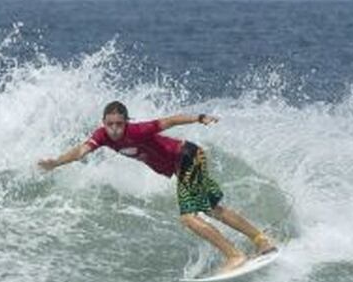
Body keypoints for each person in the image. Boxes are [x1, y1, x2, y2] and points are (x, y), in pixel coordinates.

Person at [38, 101, 276, 272]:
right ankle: (261, 240)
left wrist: (200, 118)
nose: (115, 129)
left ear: (126, 122)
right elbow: (81, 151)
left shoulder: (138, 130)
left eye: (119, 124)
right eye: (110, 124)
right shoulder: (102, 136)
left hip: (187, 156)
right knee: (213, 209)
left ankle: (235, 255)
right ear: (104, 123)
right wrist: (56, 162)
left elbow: (170, 121)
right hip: (186, 161)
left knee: (188, 218)